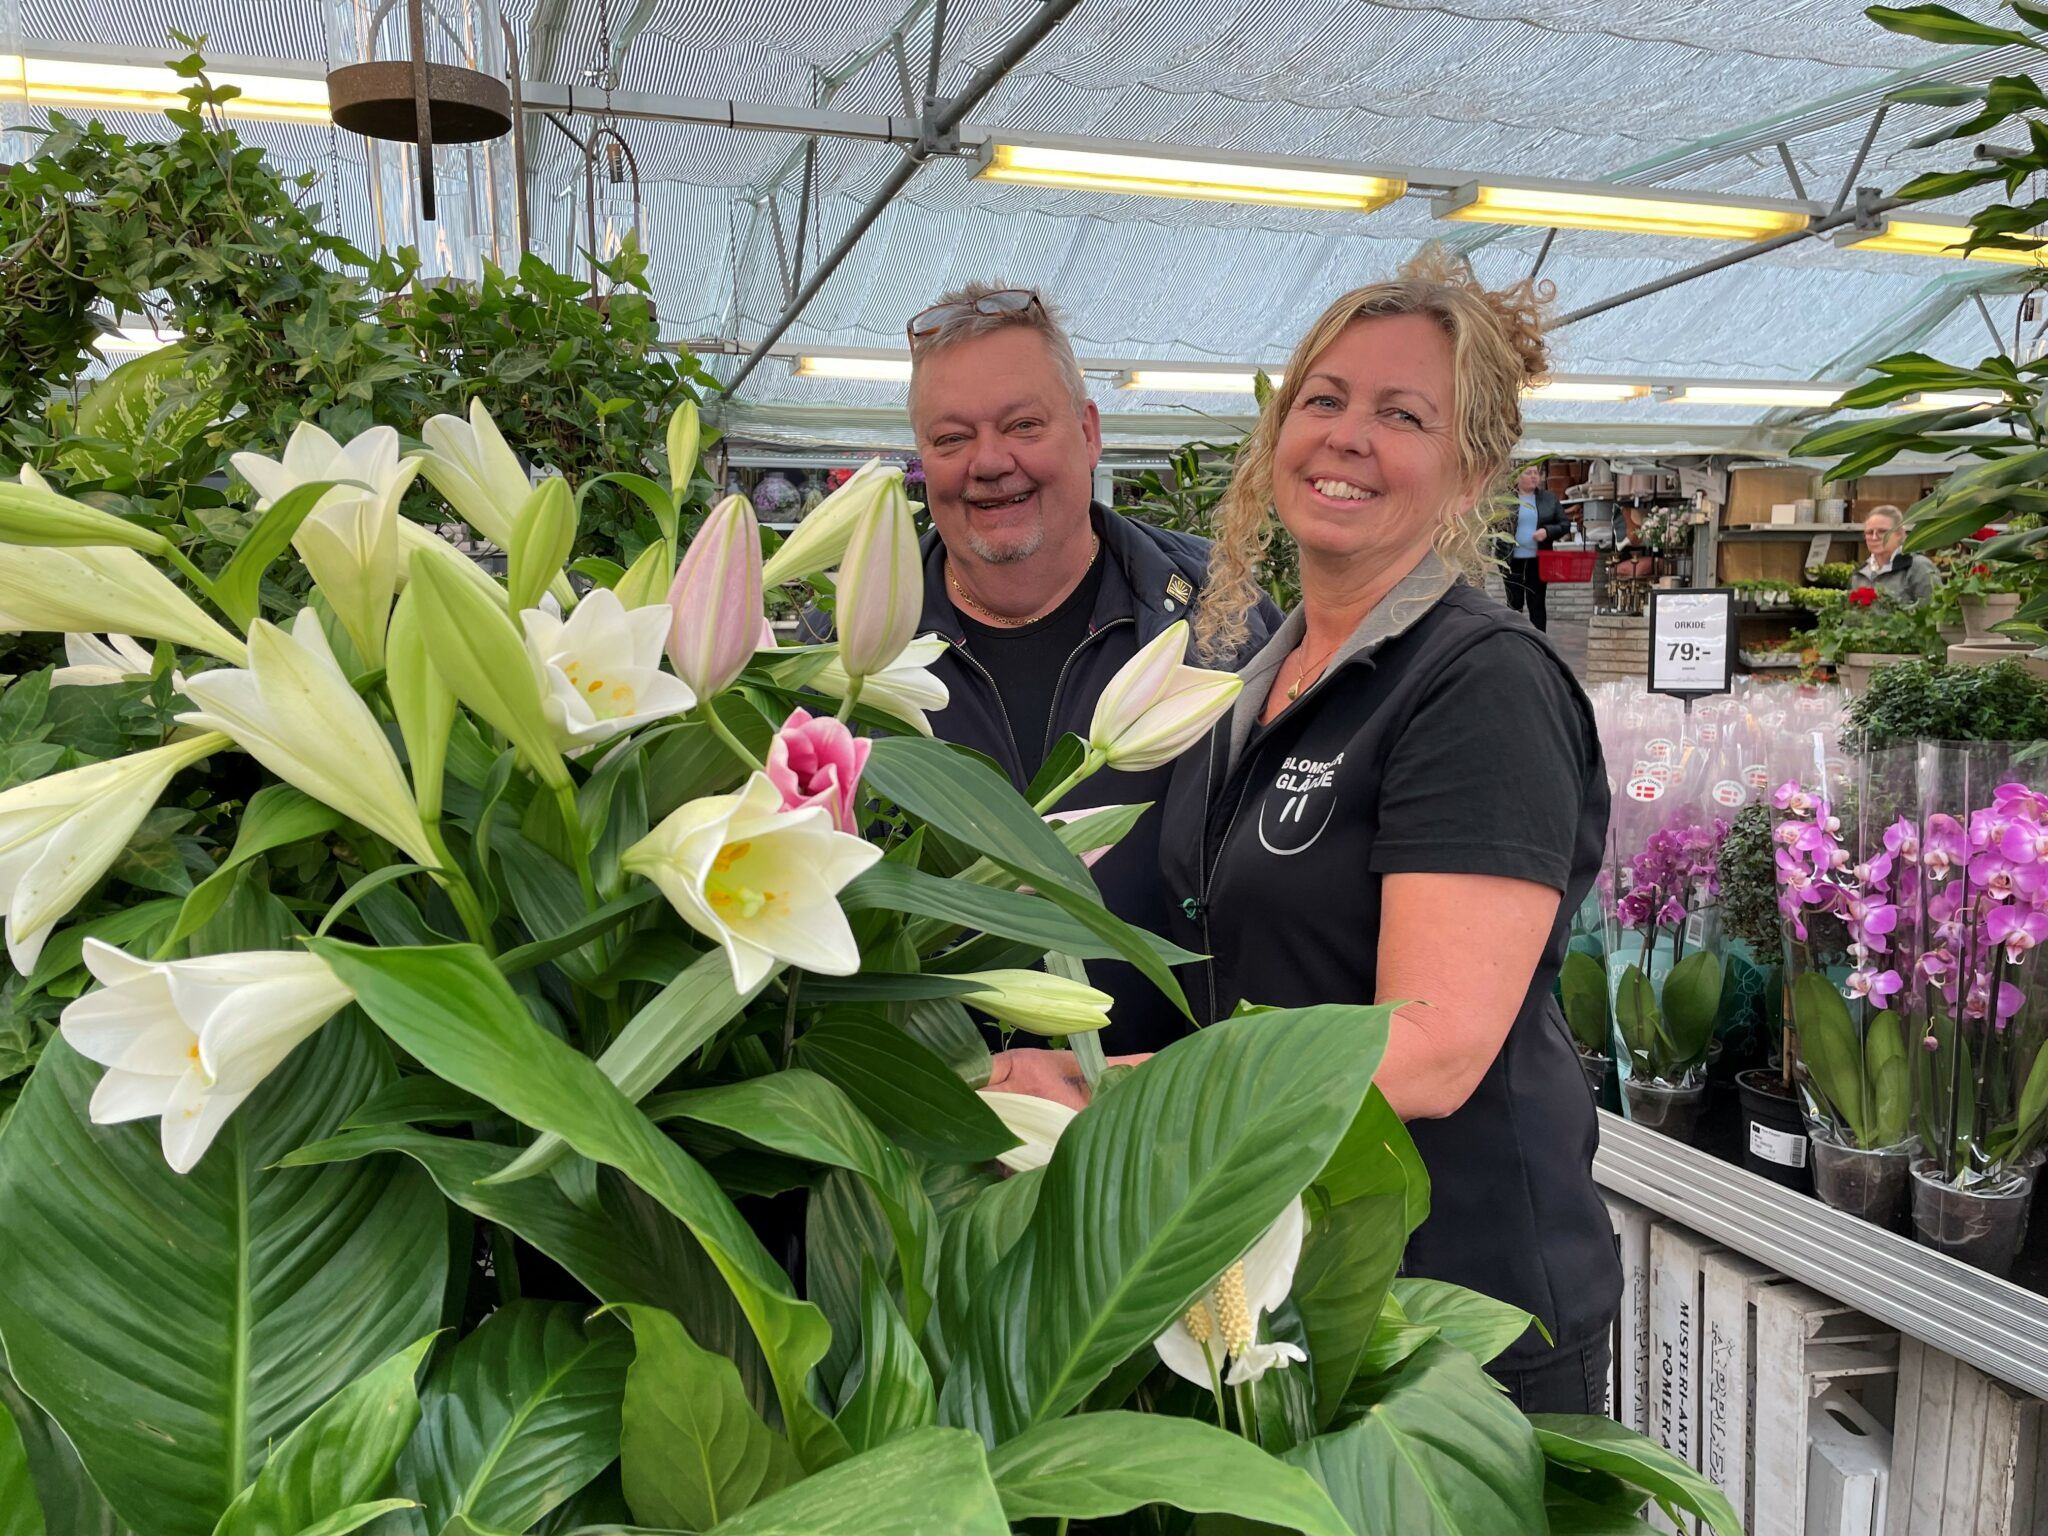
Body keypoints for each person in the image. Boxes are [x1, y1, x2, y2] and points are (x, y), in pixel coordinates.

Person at [1154, 249, 1620, 1413]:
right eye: (1323, 399)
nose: (1346, 436)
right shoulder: (1257, 681)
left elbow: (1430, 1047)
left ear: (1468, 478)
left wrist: (1129, 1095)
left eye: (1401, 415)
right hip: (1292, 1292)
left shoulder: (1475, 687)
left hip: (1448, 1319)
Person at [801, 282, 1279, 1089]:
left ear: (1089, 433)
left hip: (1166, 1116)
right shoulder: (843, 657)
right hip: (934, 1128)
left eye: (1024, 425)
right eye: (951, 439)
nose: (989, 464)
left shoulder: (1223, 620)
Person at [1501, 462, 1569, 630]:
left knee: (1537, 603)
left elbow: (1564, 524)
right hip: (1511, 560)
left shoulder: (1549, 499)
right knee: (1514, 603)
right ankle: (1516, 638)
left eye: (1536, 473)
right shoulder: (1506, 500)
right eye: (1528, 473)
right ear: (1517, 478)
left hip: (1538, 560)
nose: (1533, 476)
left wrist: (1547, 531)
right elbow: (1494, 525)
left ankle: (1539, 641)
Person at [1857, 504, 1938, 604]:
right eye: (1869, 532)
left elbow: (1934, 612)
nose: (1874, 537)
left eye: (1882, 531)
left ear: (1899, 534)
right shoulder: (1860, 574)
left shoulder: (1918, 567)